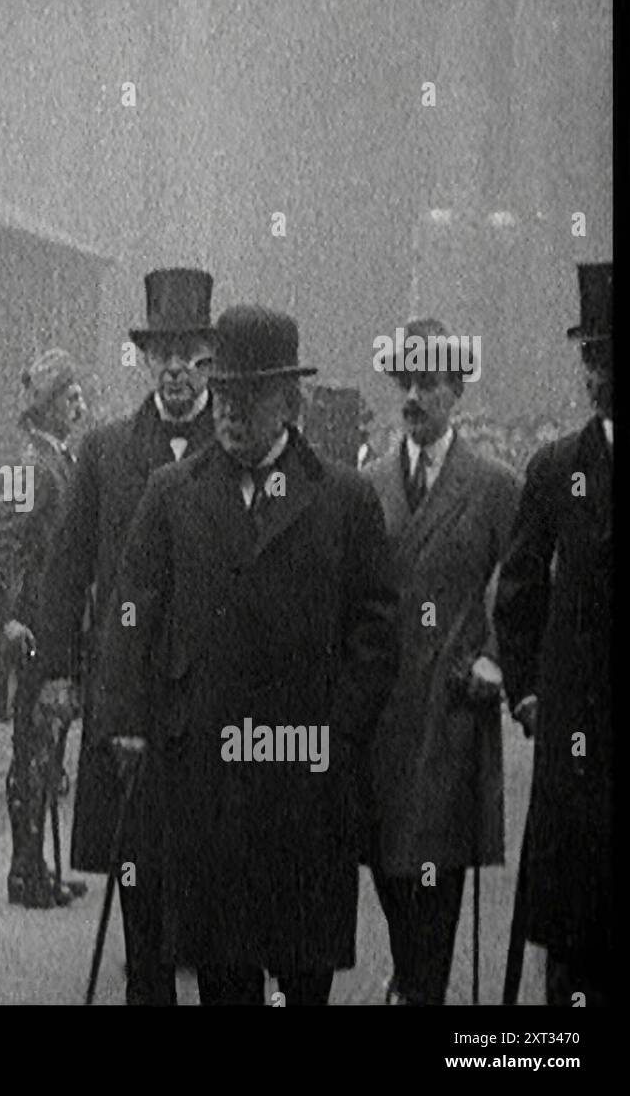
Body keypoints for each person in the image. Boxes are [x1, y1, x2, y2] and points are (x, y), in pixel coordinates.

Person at [99, 305, 398, 1005]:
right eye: (224, 395)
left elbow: (377, 630)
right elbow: (131, 610)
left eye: (250, 397)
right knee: (223, 978)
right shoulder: (173, 495)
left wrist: (339, 730)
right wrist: (132, 718)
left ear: (290, 403)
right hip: (207, 783)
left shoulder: (343, 500)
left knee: (303, 976)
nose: (230, 413)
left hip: (306, 790)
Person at [36, 269, 217, 1002]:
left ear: (210, 357)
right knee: (138, 877)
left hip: (211, 700)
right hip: (132, 704)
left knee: (210, 894)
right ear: (145, 360)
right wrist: (57, 671)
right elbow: (64, 567)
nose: (174, 368)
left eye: (189, 352)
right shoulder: (107, 452)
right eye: (161, 353)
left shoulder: (234, 444)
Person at [362, 318, 521, 1005]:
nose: (415, 396)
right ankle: (411, 971)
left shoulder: (493, 486)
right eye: (407, 382)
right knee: (388, 866)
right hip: (384, 713)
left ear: (457, 391)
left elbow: (516, 589)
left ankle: (421, 989)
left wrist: (494, 658)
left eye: (430, 383)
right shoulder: (366, 485)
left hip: (451, 712)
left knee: (434, 870)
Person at [495, 262, 613, 1007]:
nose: (601, 375)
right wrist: (530, 690)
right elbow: (518, 590)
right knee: (575, 940)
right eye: (593, 358)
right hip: (579, 739)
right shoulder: (557, 468)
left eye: (613, 357)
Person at [0, 348, 89, 907]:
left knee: (48, 747)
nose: (81, 406)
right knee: (34, 752)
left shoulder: (56, 462)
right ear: (47, 408)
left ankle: (37, 867)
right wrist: (6, 617)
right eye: (70, 397)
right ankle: (25, 873)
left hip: (56, 629)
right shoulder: (33, 469)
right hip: (37, 631)